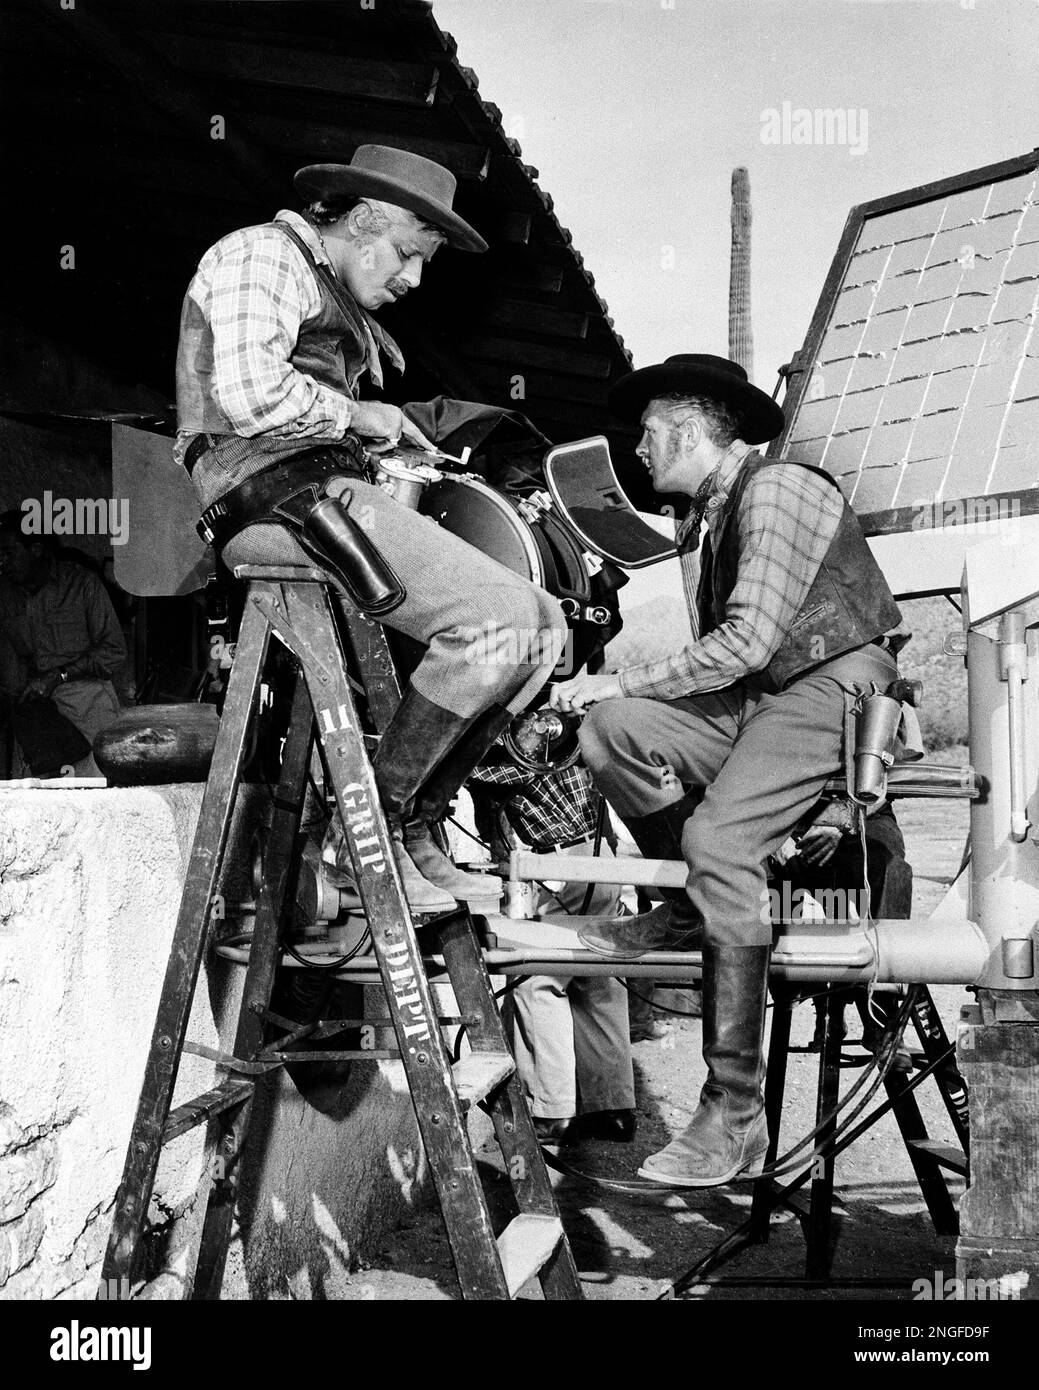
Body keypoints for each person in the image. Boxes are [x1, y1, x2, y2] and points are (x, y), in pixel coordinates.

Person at [174, 144, 567, 913]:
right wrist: (361, 415)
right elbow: (251, 395)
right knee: (498, 618)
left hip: (316, 485)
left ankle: (413, 823)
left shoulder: (325, 288)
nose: (412, 280)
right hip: (269, 495)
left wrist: (385, 435)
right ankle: (365, 838)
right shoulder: (263, 253)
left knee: (544, 628)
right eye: (407, 254)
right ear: (360, 222)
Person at [549, 354, 904, 1187]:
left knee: (715, 831)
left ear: (682, 426)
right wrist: (609, 696)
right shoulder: (705, 521)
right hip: (762, 696)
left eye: (645, 435)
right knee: (614, 731)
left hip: (832, 684)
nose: (636, 452)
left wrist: (614, 673)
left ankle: (733, 1110)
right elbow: (733, 666)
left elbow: (743, 643)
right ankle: (689, 904)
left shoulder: (776, 489)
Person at [470, 761, 636, 1144]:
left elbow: (482, 769)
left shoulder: (519, 740)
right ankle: (611, 1110)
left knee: (537, 979)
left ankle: (552, 1111)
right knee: (597, 981)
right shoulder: (563, 726)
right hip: (599, 855)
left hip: (564, 861)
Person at [0, 513, 126, 776]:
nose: (3, 561)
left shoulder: (81, 584)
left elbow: (114, 651)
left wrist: (58, 676)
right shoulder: (7, 597)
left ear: (35, 550)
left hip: (87, 704)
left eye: (8, 552)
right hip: (37, 713)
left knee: (97, 793)